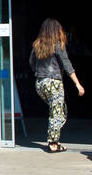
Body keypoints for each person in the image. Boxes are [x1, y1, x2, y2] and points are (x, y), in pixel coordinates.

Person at [29, 18, 84, 152]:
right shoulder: (57, 45)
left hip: (40, 83)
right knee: (57, 113)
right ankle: (53, 143)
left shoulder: (37, 44)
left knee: (57, 110)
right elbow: (67, 65)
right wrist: (78, 84)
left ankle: (55, 141)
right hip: (54, 83)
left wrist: (39, 74)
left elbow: (31, 63)